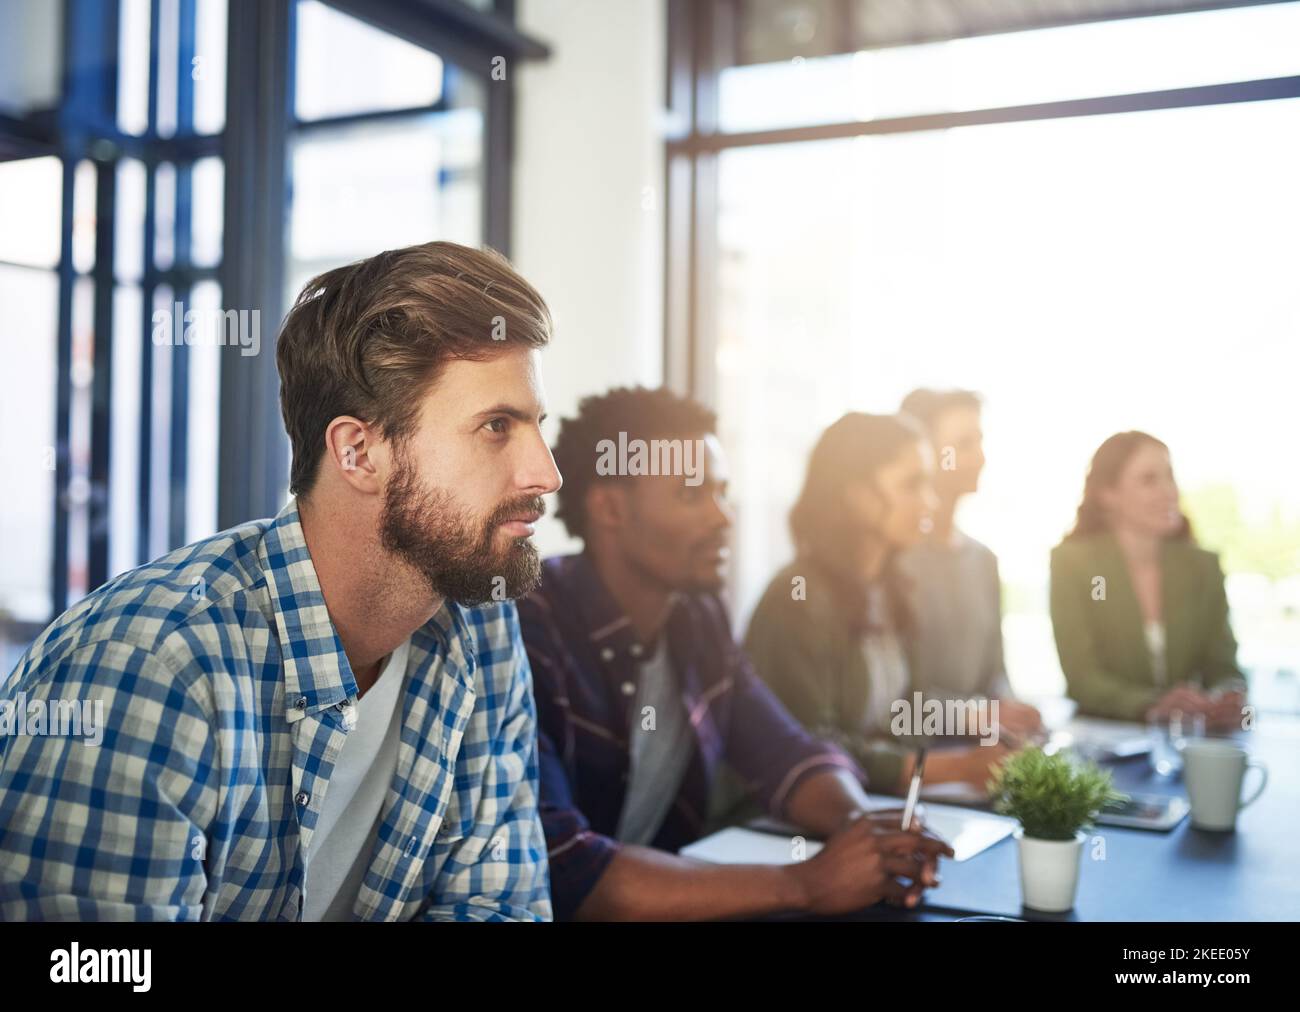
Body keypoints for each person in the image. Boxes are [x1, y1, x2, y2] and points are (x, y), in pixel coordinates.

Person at [1, 242, 559, 920]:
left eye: (536, 425)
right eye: (496, 427)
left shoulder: (480, 625)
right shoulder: (150, 668)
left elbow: (499, 908)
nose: (545, 474)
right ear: (358, 452)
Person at [517, 387, 951, 921]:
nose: (723, 517)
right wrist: (805, 884)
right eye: (691, 495)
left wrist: (864, 830)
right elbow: (564, 868)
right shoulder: (531, 626)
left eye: (721, 492)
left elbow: (786, 753)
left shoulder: (696, 617)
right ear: (610, 508)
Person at [745, 413, 1015, 797]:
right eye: (913, 485)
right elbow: (812, 745)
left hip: (876, 802)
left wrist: (979, 721)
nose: (931, 502)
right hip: (787, 822)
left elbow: (903, 708)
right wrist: (955, 766)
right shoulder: (797, 597)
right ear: (855, 495)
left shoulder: (891, 588)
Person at [1050, 430, 1246, 728]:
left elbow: (1223, 664)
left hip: (1187, 741)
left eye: (1170, 476)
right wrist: (1151, 704)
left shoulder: (1203, 567)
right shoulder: (1073, 563)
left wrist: (1227, 694)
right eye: (1149, 480)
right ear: (1108, 494)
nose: (1169, 491)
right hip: (1104, 741)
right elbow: (1082, 678)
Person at [896, 389, 1042, 739]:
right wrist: (975, 716)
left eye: (980, 441)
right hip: (916, 758)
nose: (980, 457)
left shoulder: (983, 560)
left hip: (981, 752)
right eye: (964, 444)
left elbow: (995, 678)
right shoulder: (893, 562)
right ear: (922, 451)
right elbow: (888, 703)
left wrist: (1013, 713)